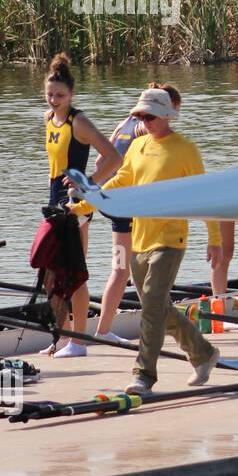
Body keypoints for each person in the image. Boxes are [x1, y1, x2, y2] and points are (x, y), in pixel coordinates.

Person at [69, 88, 222, 394]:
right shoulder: (138, 146)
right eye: (140, 115)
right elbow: (118, 182)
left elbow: (206, 194)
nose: (145, 121)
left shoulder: (185, 150)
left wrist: (214, 239)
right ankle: (203, 353)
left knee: (152, 304)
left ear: (167, 115)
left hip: (170, 239)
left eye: (150, 116)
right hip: (140, 239)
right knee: (159, 307)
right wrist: (83, 204)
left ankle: (144, 375)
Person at [90, 83, 183, 345]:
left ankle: (103, 329)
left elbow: (101, 162)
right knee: (147, 267)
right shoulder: (146, 129)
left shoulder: (124, 123)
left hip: (115, 206)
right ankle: (157, 324)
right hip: (134, 208)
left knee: (120, 269)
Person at [42, 53, 122, 357]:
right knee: (54, 273)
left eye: (60, 95)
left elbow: (115, 158)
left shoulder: (80, 122)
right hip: (54, 202)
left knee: (75, 273)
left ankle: (79, 342)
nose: (54, 100)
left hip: (76, 204)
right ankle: (61, 338)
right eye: (49, 94)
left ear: (71, 94)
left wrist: (87, 184)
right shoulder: (48, 119)